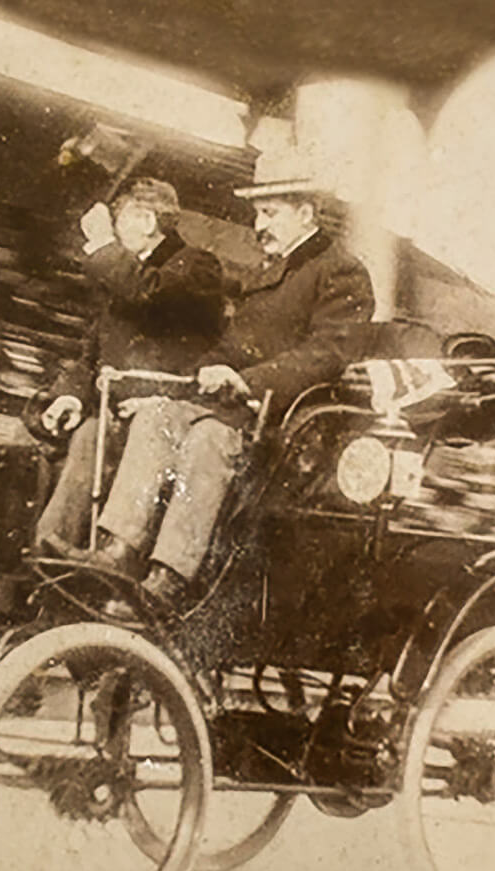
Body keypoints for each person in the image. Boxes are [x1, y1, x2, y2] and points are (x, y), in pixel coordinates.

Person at [86, 170, 376, 610]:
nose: (259, 225)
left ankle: (169, 576)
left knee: (208, 438)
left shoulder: (340, 271)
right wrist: (186, 383)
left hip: (288, 425)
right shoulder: (272, 272)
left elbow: (328, 354)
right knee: (159, 415)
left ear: (305, 213)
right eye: (258, 213)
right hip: (238, 410)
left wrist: (249, 380)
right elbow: (230, 347)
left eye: (270, 213)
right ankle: (119, 551)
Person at [33, 178, 225, 554]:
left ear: (147, 221)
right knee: (88, 432)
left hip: (167, 415)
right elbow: (91, 355)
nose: (117, 236)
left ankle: (109, 554)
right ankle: (48, 549)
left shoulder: (197, 267)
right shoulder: (124, 277)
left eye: (119, 223)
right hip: (118, 414)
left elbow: (147, 291)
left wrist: (104, 244)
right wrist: (70, 396)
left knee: (103, 434)